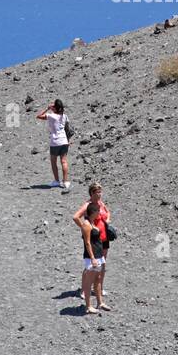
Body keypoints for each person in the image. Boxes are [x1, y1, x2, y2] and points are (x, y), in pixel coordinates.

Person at [73, 183, 112, 313]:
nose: (99, 194)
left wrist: (107, 221)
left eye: (100, 191)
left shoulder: (100, 203)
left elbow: (107, 212)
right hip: (94, 239)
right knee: (90, 268)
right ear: (91, 193)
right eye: (97, 192)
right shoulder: (88, 205)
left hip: (103, 239)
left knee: (101, 268)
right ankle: (85, 291)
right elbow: (75, 217)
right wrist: (86, 229)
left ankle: (99, 292)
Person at [37, 99, 71, 190]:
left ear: (55, 107)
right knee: (64, 161)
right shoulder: (64, 116)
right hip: (64, 141)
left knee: (53, 162)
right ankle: (65, 181)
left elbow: (39, 116)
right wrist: (68, 140)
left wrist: (47, 108)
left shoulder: (51, 116)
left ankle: (56, 181)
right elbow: (67, 129)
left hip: (55, 142)